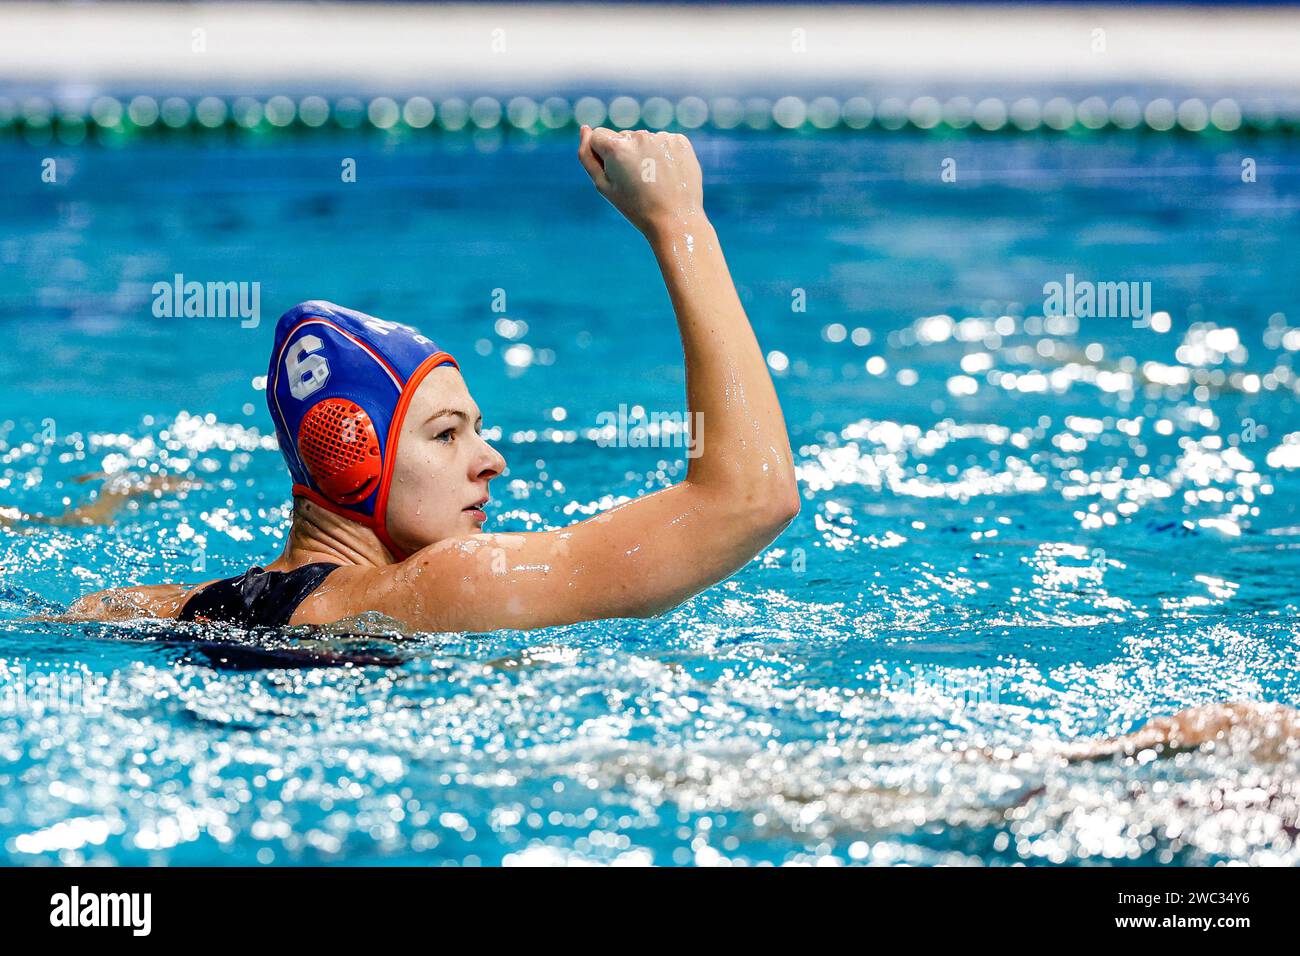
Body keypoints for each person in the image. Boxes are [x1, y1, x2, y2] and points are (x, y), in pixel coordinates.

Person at [59, 126, 801, 632]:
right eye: (445, 434)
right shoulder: (447, 584)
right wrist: (680, 224)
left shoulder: (155, 607)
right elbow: (749, 500)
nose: (491, 460)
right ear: (352, 455)